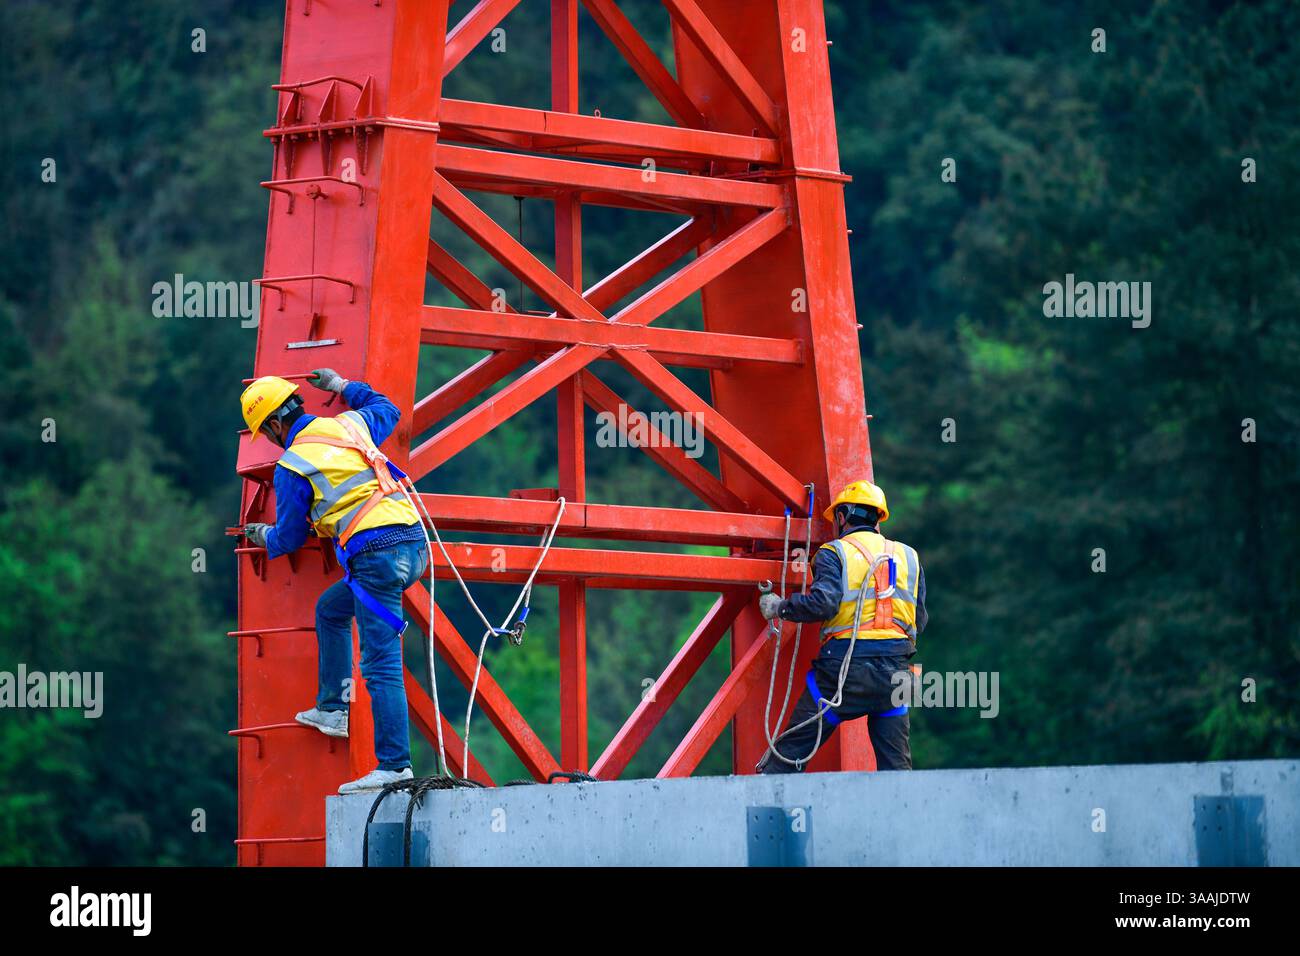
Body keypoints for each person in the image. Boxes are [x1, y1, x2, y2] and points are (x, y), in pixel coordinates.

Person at [240, 369, 426, 793]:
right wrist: (343, 387)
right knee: (331, 610)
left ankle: (396, 766)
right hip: (414, 546)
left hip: (377, 556)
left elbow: (287, 538)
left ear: (273, 425)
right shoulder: (348, 422)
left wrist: (260, 535)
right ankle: (334, 708)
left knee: (381, 666)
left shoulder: (291, 466)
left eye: (266, 434)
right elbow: (388, 409)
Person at [757, 480, 926, 772]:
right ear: (878, 518)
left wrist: (780, 607)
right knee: (898, 773)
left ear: (842, 515)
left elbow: (824, 604)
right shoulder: (908, 556)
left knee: (785, 760)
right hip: (896, 675)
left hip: (843, 673)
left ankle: (767, 814)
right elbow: (919, 620)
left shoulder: (833, 552)